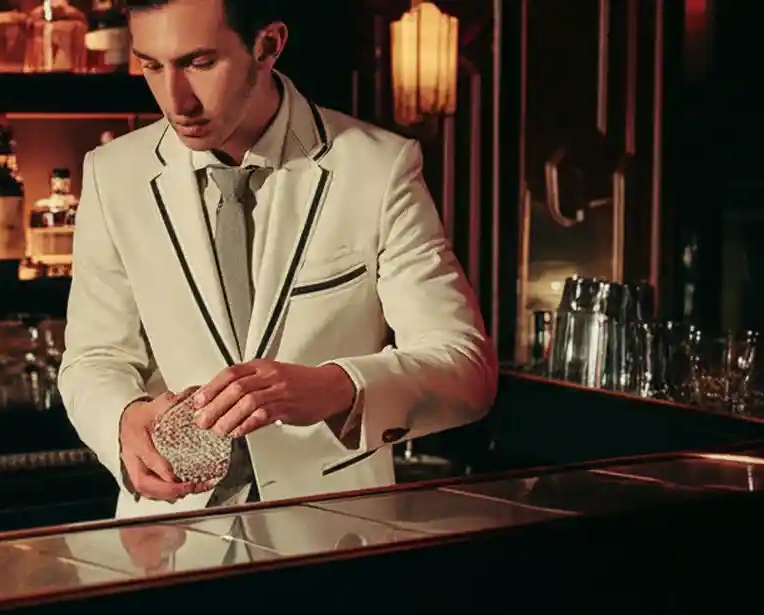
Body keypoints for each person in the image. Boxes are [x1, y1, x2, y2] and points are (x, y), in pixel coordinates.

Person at [58, 0, 498, 520]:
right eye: (152, 65)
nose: (176, 100)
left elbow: (466, 368)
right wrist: (122, 419)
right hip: (170, 534)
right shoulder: (113, 175)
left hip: (334, 531)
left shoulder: (377, 168)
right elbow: (92, 358)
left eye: (199, 63)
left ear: (267, 46)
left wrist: (335, 386)